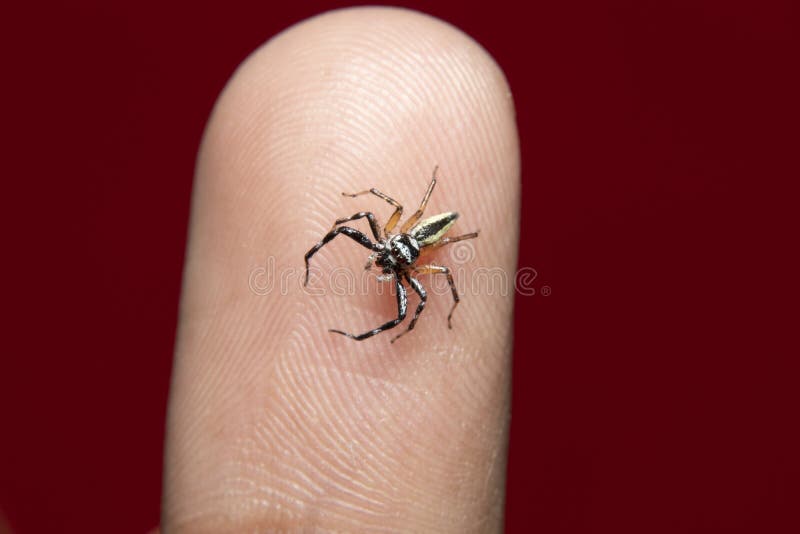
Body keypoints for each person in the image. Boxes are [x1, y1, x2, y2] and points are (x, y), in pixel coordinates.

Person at [161, 6, 520, 532]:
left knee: (418, 301)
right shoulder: (384, 240)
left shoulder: (418, 264)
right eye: (386, 255)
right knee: (364, 218)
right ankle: (325, 278)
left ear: (403, 255)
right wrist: (324, 244)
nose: (385, 261)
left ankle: (375, 325)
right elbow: (365, 207)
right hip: (413, 231)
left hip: (434, 234)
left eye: (392, 259)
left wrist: (422, 320)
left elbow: (417, 300)